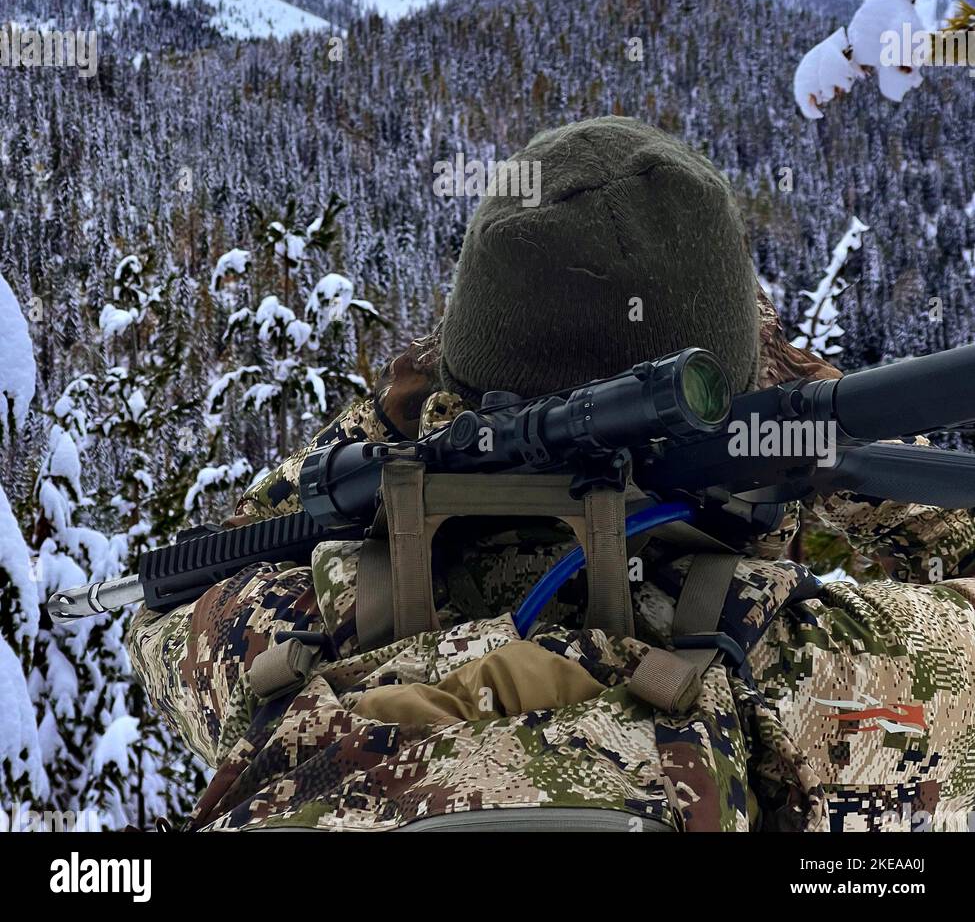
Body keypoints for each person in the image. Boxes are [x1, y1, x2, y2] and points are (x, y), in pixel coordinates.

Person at [128, 117, 975, 832]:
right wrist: (804, 432)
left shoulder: (280, 640)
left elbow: (168, 608)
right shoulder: (809, 668)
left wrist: (396, 429)